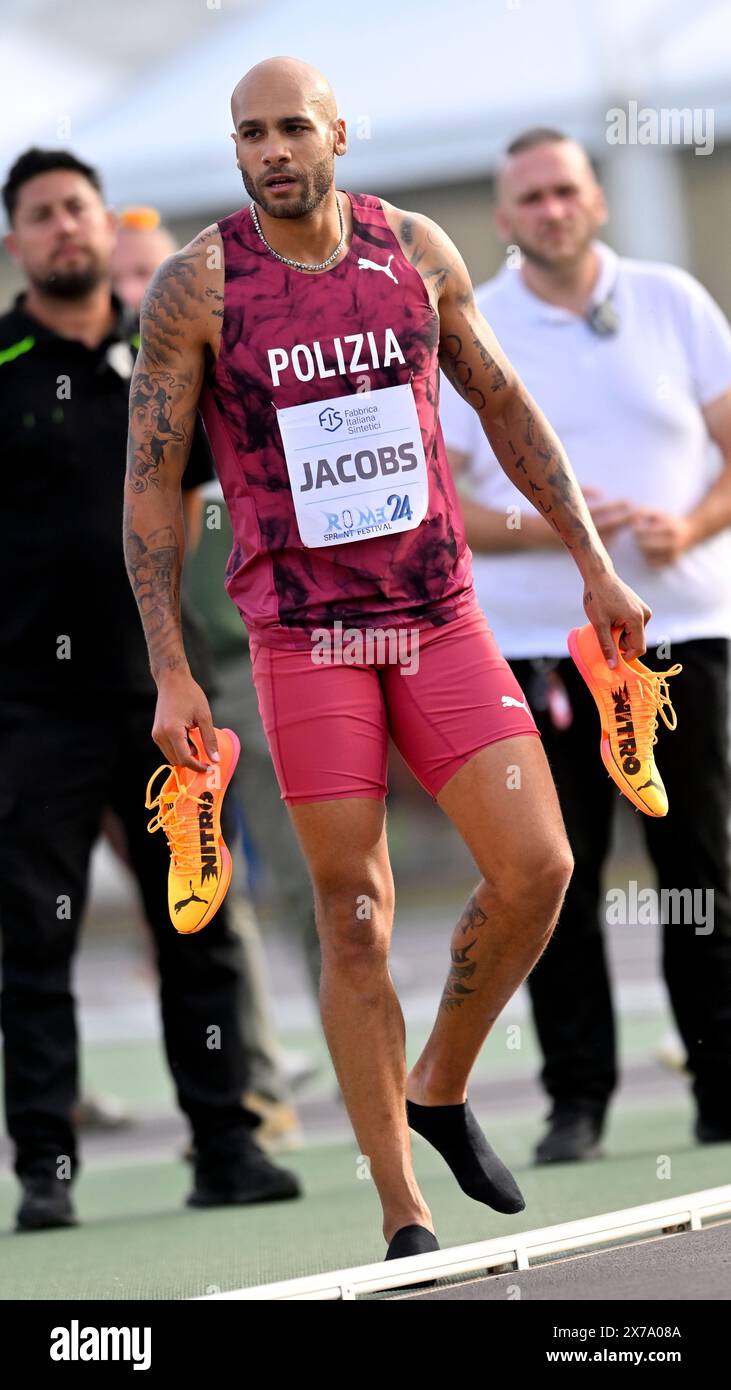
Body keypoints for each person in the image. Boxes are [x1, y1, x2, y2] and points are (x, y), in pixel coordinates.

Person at [124, 58, 649, 1258]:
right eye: (248, 133)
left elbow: (503, 401)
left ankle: (441, 1084)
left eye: (291, 128)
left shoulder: (411, 248)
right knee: (353, 913)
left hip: (435, 612)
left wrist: (590, 561)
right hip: (305, 636)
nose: (269, 151)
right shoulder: (197, 287)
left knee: (538, 866)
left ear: (338, 135)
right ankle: (402, 1207)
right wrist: (170, 666)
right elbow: (151, 484)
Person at [0, 146, 301, 1231]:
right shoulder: (2, 362)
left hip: (166, 696)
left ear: (97, 219)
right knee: (34, 940)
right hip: (29, 709)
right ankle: (47, 1169)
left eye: (76, 207)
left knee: (200, 927)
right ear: (16, 241)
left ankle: (227, 1145)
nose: (65, 228)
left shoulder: (168, 353)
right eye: (41, 215)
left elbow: (238, 497)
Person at [439, 128, 731, 1161]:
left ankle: (719, 1086)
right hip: (530, 645)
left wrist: (685, 528)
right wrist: (563, 525)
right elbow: (445, 506)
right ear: (505, 216)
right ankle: (574, 1102)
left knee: (699, 863)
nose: (550, 210)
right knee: (551, 871)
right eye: (528, 197)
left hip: (677, 630)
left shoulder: (671, 301)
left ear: (595, 200)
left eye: (565, 190)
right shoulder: (470, 321)